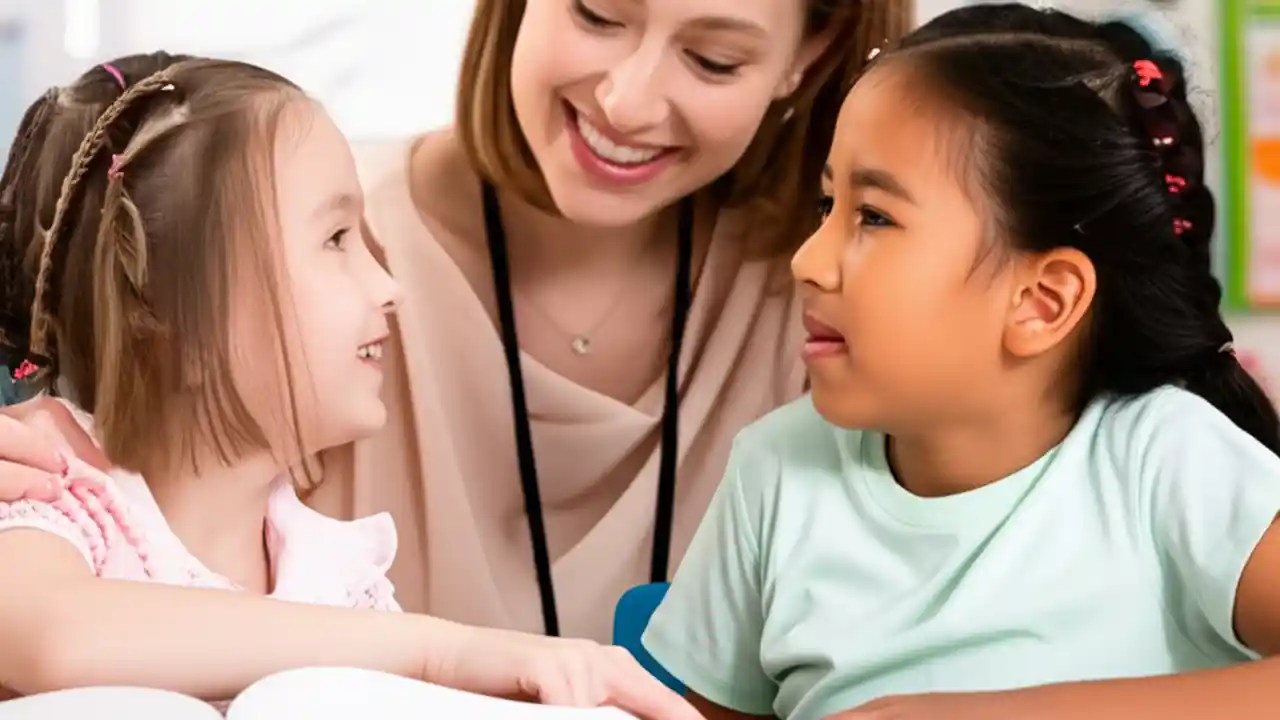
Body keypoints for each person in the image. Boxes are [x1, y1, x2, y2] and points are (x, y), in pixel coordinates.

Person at [0, 0, 913, 642]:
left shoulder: (842, 302)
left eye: (714, 58)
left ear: (815, 52)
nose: (628, 102)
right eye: (597, 13)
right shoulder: (270, 254)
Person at [0, 53, 698, 720]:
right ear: (175, 320)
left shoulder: (343, 580)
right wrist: (443, 654)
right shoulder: (52, 497)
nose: (388, 287)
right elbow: (56, 638)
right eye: (336, 239)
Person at [642, 4, 1280, 719]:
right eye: (828, 205)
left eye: (874, 217)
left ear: (1041, 301)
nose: (808, 261)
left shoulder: (1167, 460)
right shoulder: (773, 472)